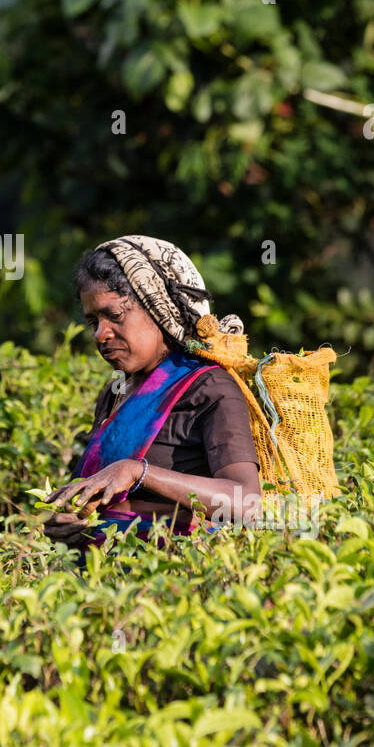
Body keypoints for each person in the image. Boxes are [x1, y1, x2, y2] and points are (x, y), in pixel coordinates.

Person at [43, 235, 260, 550]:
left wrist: (137, 472)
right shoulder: (115, 392)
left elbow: (246, 503)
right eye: (93, 323)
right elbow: (109, 508)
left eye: (115, 316)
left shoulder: (210, 388)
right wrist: (72, 525)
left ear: (158, 307)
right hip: (101, 582)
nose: (101, 335)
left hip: (176, 580)